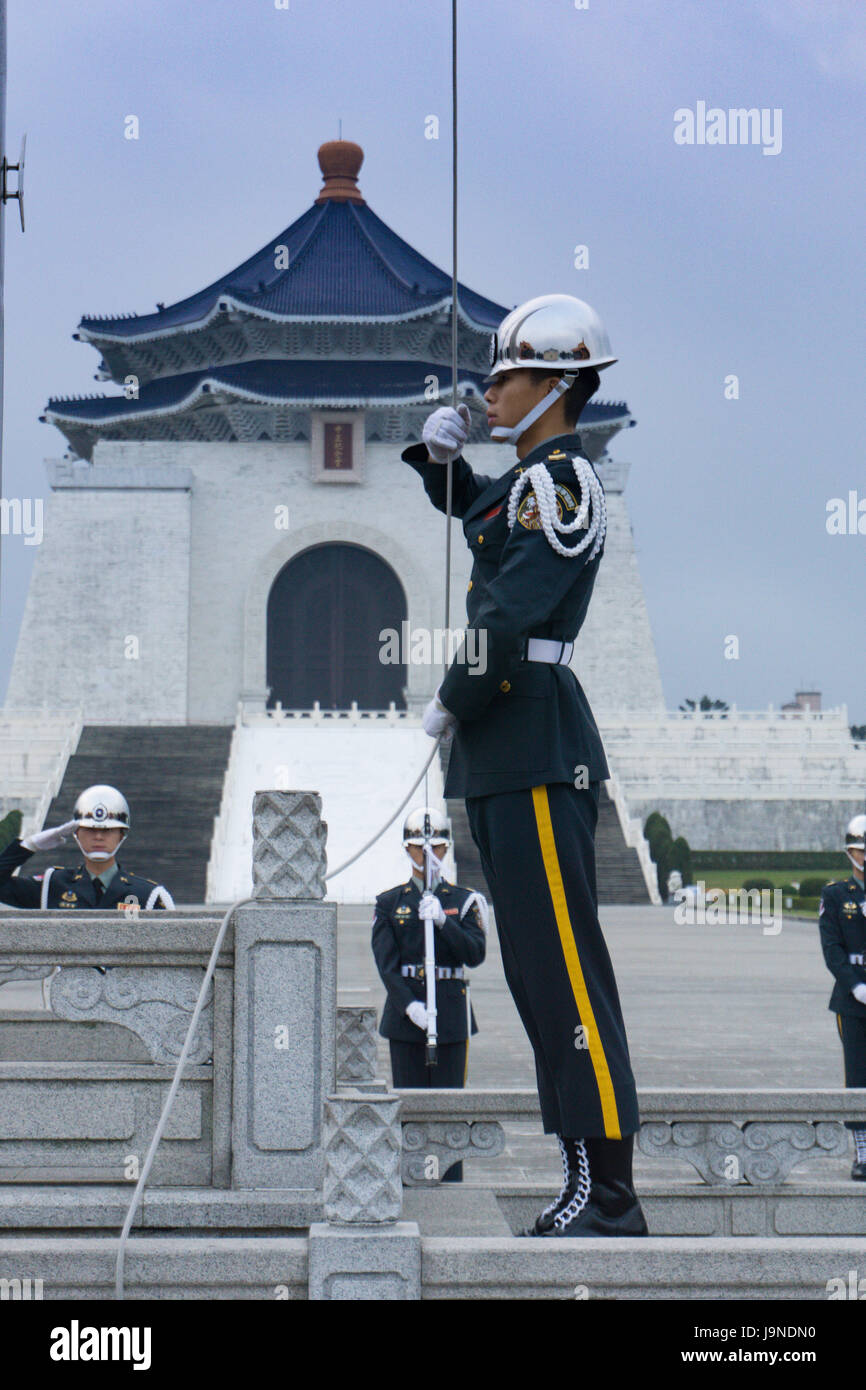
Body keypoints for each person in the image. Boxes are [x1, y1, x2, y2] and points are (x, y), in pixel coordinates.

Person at [401, 293, 647, 1236]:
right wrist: (440, 459)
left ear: (555, 385)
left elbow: (507, 616)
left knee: (565, 974)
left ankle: (610, 1193)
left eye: (505, 376)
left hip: (531, 736)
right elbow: (488, 520)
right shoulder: (532, 481)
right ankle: (584, 1179)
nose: (490, 390)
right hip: (509, 746)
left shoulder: (567, 483)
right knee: (538, 974)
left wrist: (452, 698)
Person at [371, 806, 487, 1181]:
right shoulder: (390, 903)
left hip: (450, 1017)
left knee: (449, 1110)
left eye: (436, 847)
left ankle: (449, 1182)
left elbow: (475, 954)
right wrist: (409, 1006)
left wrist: (443, 920)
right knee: (411, 1109)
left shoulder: (464, 900)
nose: (428, 855)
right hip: (408, 1021)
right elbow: (387, 967)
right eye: (419, 848)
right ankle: (411, 1180)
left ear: (447, 849)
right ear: (407, 851)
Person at [0, 784, 174, 910]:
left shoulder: (147, 895)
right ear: (76, 833)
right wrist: (28, 846)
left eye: (107, 830)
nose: (98, 837)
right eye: (90, 829)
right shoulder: (53, 885)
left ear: (121, 835)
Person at [818, 814, 866, 1179]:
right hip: (853, 999)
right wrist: (855, 985)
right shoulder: (836, 895)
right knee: (858, 1075)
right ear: (849, 852)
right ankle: (863, 1152)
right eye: (859, 850)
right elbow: (832, 948)